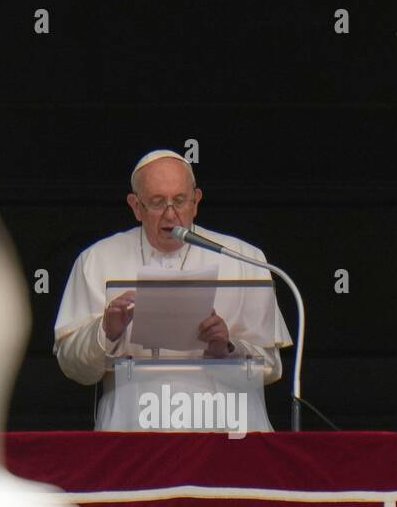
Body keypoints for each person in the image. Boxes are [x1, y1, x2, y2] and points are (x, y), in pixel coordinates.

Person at [53, 149, 293, 430]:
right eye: (157, 203)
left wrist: (227, 348)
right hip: (135, 428)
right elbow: (73, 367)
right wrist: (106, 331)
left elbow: (271, 368)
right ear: (135, 206)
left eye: (180, 201)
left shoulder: (242, 257)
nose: (171, 214)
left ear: (196, 201)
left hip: (226, 428)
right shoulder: (97, 259)